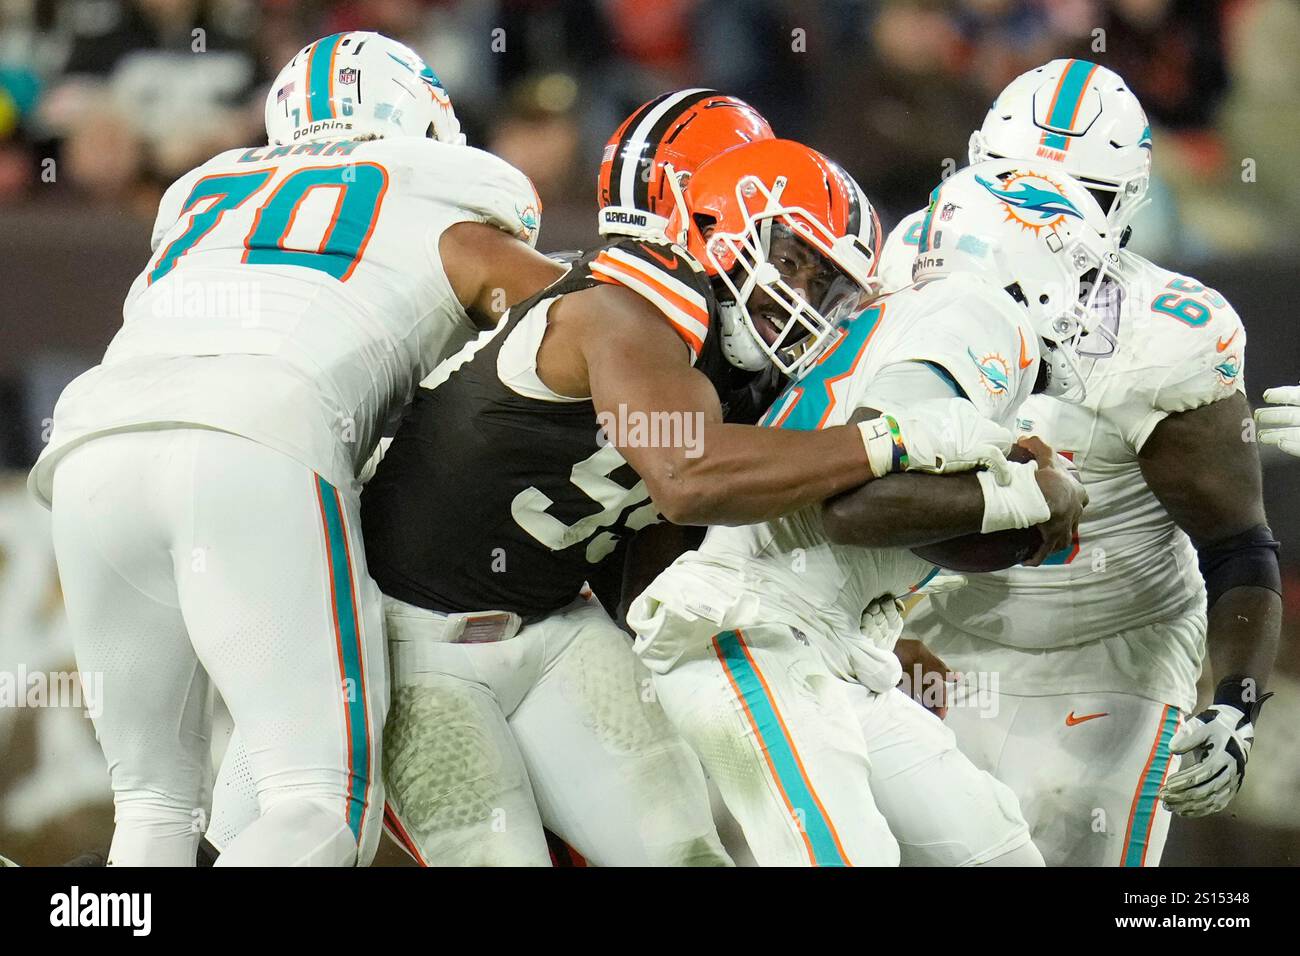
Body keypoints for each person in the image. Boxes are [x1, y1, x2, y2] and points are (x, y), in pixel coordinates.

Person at [358, 138, 1001, 864]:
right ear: (715, 228)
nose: (804, 299)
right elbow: (688, 476)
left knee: (683, 852)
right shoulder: (622, 310)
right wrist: (891, 440)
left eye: (827, 285)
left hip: (558, 624)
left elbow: (664, 545)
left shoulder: (724, 363)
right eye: (792, 260)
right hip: (414, 641)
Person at [28, 32, 564, 867]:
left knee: (153, 806)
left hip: (90, 439)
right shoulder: (445, 201)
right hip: (256, 433)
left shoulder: (211, 194)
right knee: (319, 805)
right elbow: (584, 321)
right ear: (421, 121)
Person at [627, 159, 1104, 866]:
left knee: (998, 852)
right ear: (1026, 252)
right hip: (754, 626)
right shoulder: (978, 311)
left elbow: (918, 521)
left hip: (833, 646)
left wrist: (1022, 526)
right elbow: (860, 505)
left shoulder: (921, 317)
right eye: (1086, 276)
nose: (1094, 303)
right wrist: (1027, 498)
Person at [881, 59, 1282, 866]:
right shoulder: (907, 263)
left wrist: (1237, 702)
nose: (1041, 223)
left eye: (1077, 201)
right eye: (1015, 189)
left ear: (1125, 206)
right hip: (945, 636)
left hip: (1112, 653)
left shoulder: (1165, 333)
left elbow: (1239, 544)